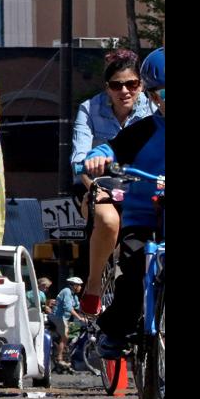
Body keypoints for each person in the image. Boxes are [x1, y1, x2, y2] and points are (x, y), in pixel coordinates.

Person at [80, 47, 166, 361]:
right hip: (143, 218)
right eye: (164, 93)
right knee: (134, 271)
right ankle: (114, 331)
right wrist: (98, 158)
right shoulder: (141, 132)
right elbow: (107, 149)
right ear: (154, 97)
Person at [70, 49, 155, 315]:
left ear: (141, 85)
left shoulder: (154, 109)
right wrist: (92, 177)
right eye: (117, 85)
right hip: (100, 186)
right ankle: (94, 285)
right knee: (108, 220)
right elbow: (78, 161)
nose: (125, 91)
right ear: (107, 88)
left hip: (146, 189)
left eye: (132, 84)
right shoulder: (89, 109)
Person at [50, 276, 84, 374]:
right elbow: (69, 308)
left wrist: (89, 316)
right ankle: (59, 358)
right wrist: (79, 317)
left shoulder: (74, 296)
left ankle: (67, 357)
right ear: (74, 285)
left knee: (74, 334)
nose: (80, 287)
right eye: (79, 286)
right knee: (65, 335)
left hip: (67, 319)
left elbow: (78, 308)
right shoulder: (66, 291)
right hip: (58, 317)